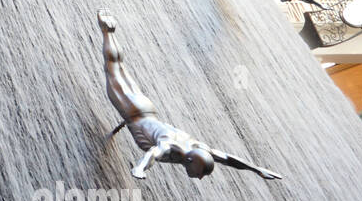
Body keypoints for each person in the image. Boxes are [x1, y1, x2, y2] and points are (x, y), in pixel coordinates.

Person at [98, 11, 282, 181]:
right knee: (113, 68)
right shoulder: (172, 146)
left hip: (146, 110)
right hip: (131, 110)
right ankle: (108, 31)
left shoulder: (198, 147)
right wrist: (140, 169)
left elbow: (227, 158)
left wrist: (256, 169)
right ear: (192, 162)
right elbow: (153, 153)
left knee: (120, 68)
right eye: (199, 173)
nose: (199, 178)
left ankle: (110, 33)